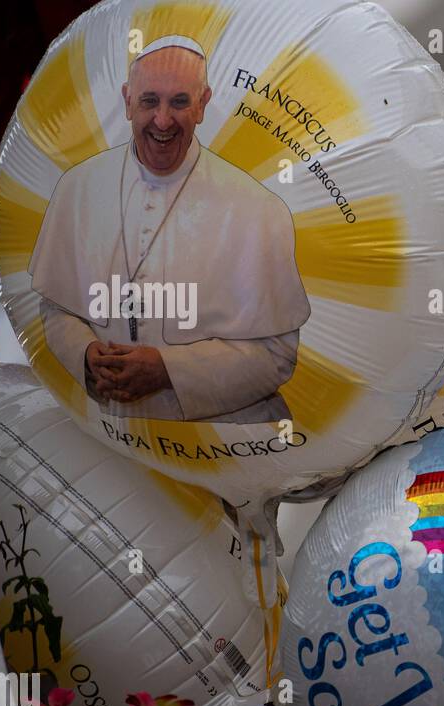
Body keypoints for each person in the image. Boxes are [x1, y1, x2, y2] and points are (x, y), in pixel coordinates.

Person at [28, 35, 311, 424]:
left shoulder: (258, 209)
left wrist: (168, 370)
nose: (163, 120)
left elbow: (277, 355)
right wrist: (86, 355)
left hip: (228, 446)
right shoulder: (77, 189)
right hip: (115, 439)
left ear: (203, 104)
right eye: (149, 101)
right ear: (128, 101)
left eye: (179, 101)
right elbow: (57, 307)